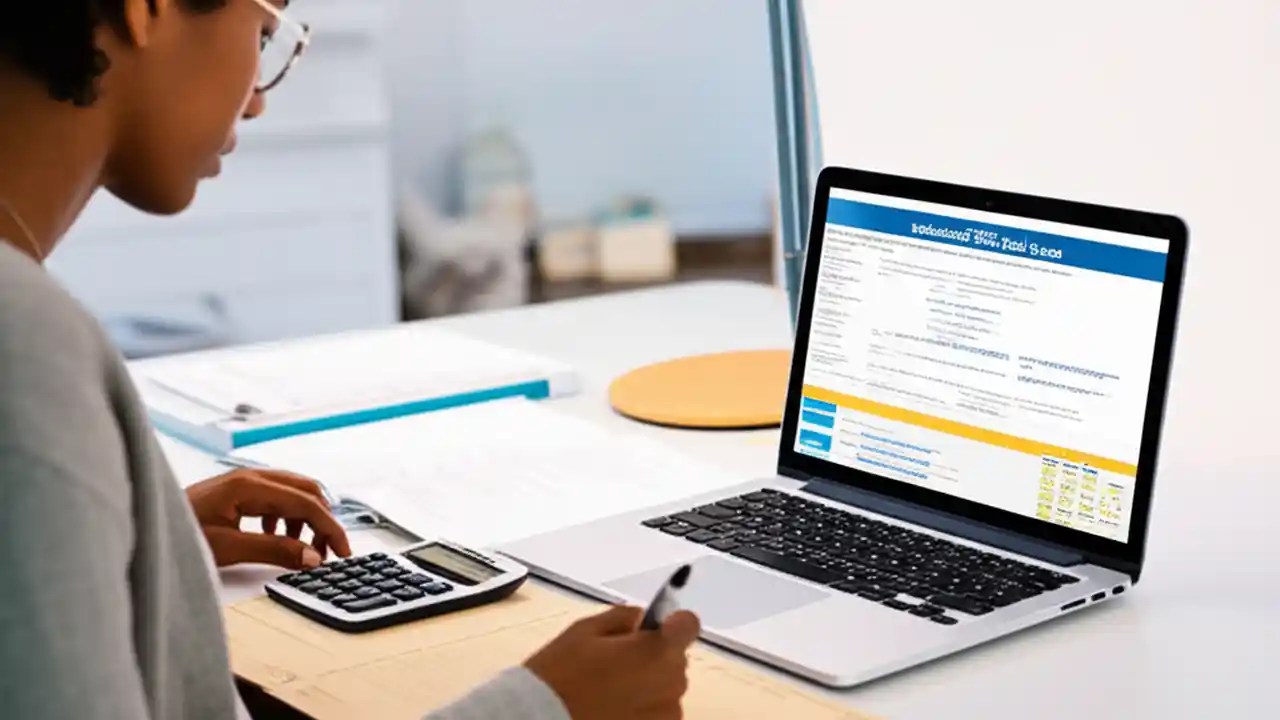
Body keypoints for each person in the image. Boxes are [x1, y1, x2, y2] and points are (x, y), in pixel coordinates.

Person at [0, 2, 700, 718]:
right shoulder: (26, 347)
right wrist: (549, 708)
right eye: (263, 32)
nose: (257, 99)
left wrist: (130, 545)